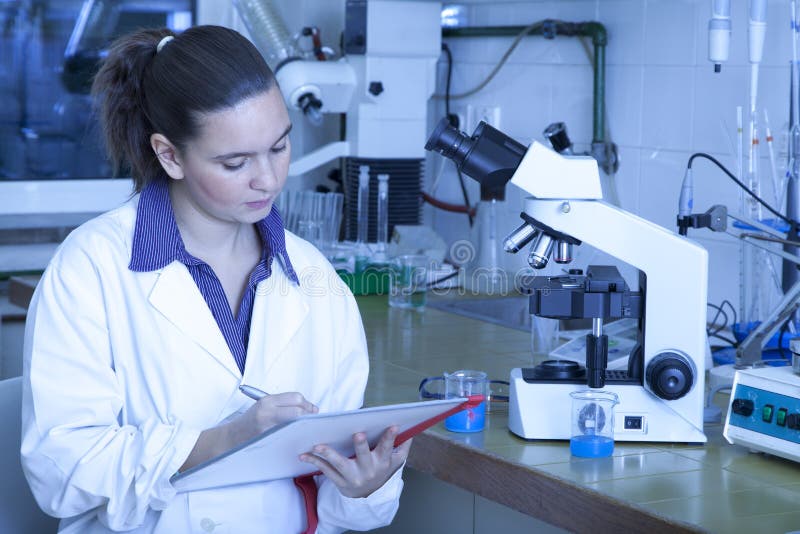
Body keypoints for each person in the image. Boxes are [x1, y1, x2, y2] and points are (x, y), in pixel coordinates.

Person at [20, 25, 410, 533]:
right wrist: (228, 438)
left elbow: (337, 494)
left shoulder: (313, 274)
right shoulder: (91, 268)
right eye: (235, 162)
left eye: (279, 146)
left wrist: (364, 486)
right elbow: (62, 470)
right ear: (170, 155)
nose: (268, 179)